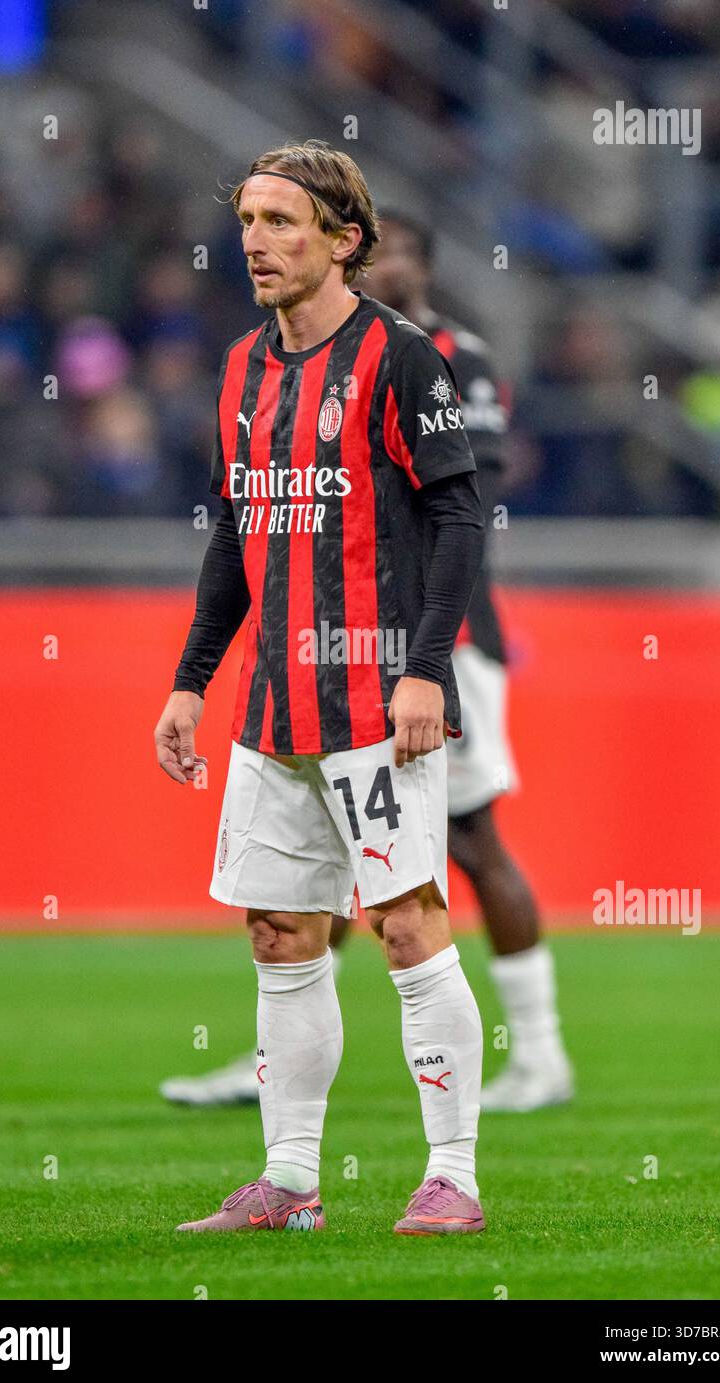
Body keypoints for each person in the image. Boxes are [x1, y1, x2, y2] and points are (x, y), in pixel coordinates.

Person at [162, 211, 574, 1115]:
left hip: (440, 644)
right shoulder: (281, 363)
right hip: (331, 659)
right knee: (333, 863)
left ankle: (540, 1055)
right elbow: (245, 518)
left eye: (402, 257)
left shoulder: (445, 358)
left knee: (467, 842)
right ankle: (279, 1058)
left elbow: (464, 497)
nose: (385, 272)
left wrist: (424, 648)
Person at [154, 140, 487, 1235]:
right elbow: (233, 533)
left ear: (344, 240)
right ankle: (290, 1182)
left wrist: (425, 669)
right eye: (248, 220)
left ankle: (452, 1178)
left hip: (375, 702)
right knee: (280, 935)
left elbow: (456, 517)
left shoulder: (400, 358)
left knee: (405, 925)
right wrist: (191, 682)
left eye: (281, 222)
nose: (255, 242)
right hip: (272, 708)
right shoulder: (240, 369)